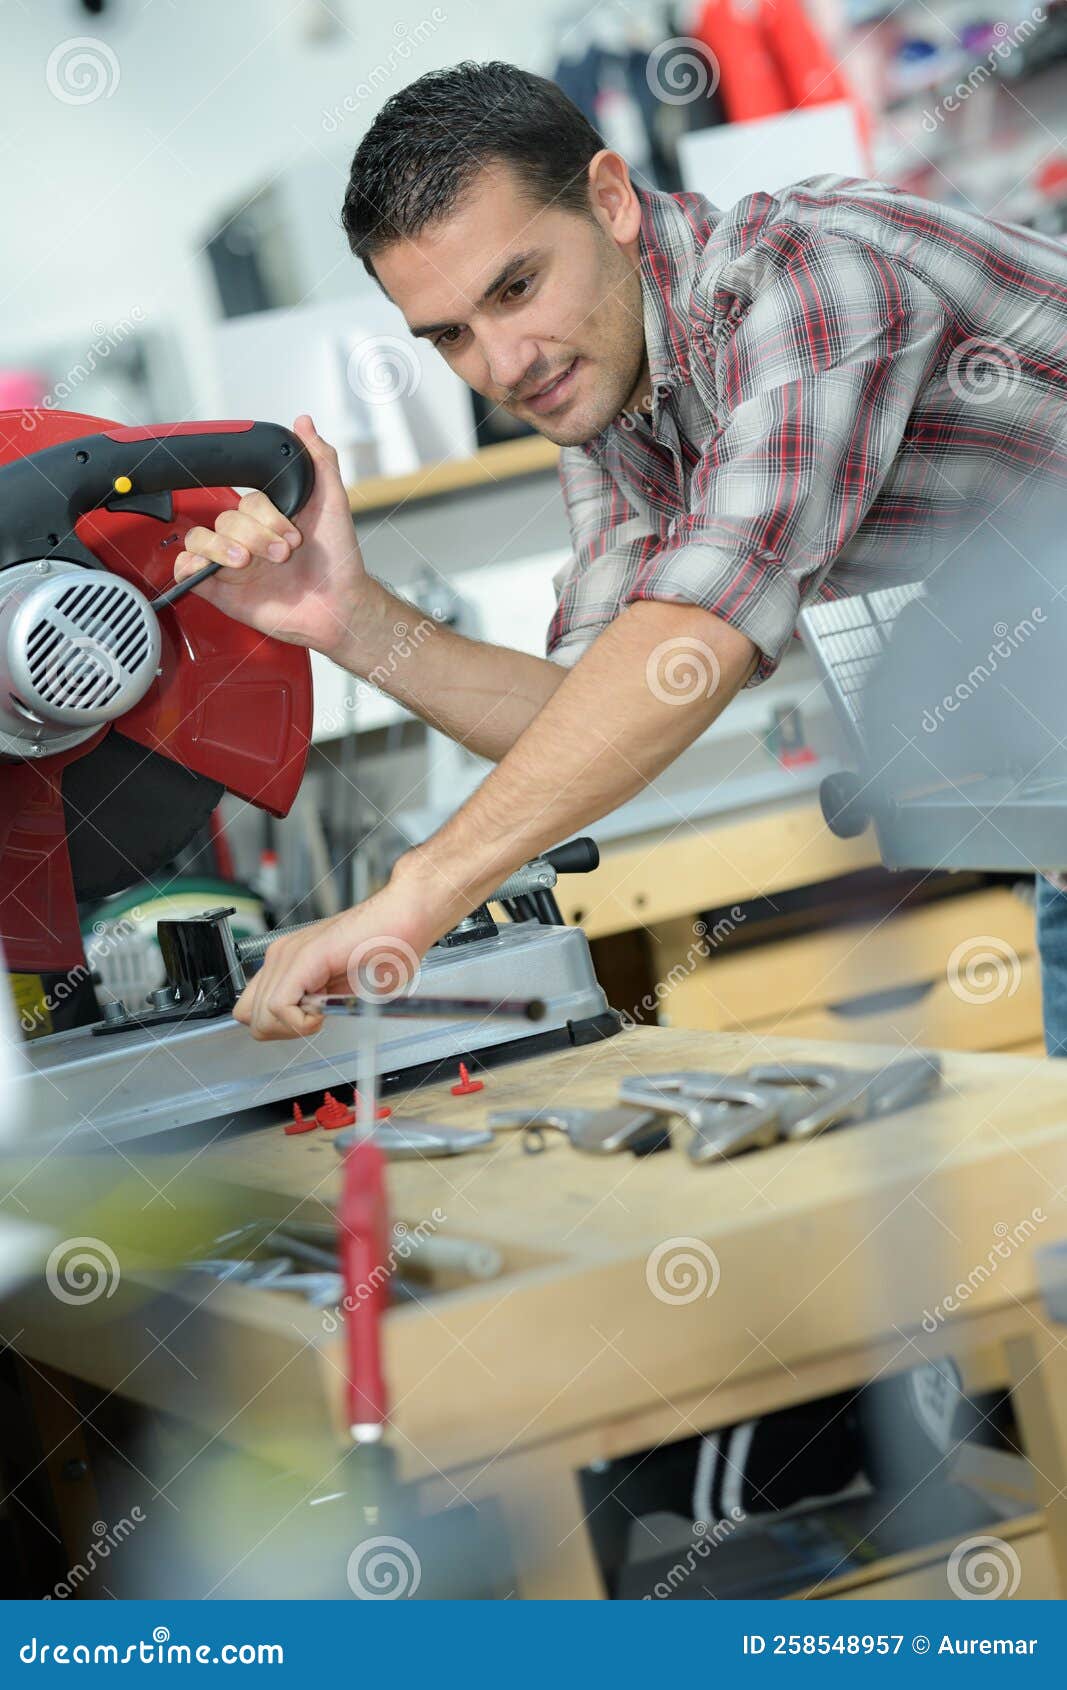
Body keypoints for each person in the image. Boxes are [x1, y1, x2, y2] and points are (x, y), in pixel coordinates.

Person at [167, 61, 1067, 1045]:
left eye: (516, 287)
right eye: (451, 337)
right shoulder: (610, 400)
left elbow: (701, 624)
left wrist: (421, 885)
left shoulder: (809, 279)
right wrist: (350, 619)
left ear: (609, 200)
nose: (505, 365)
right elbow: (576, 716)